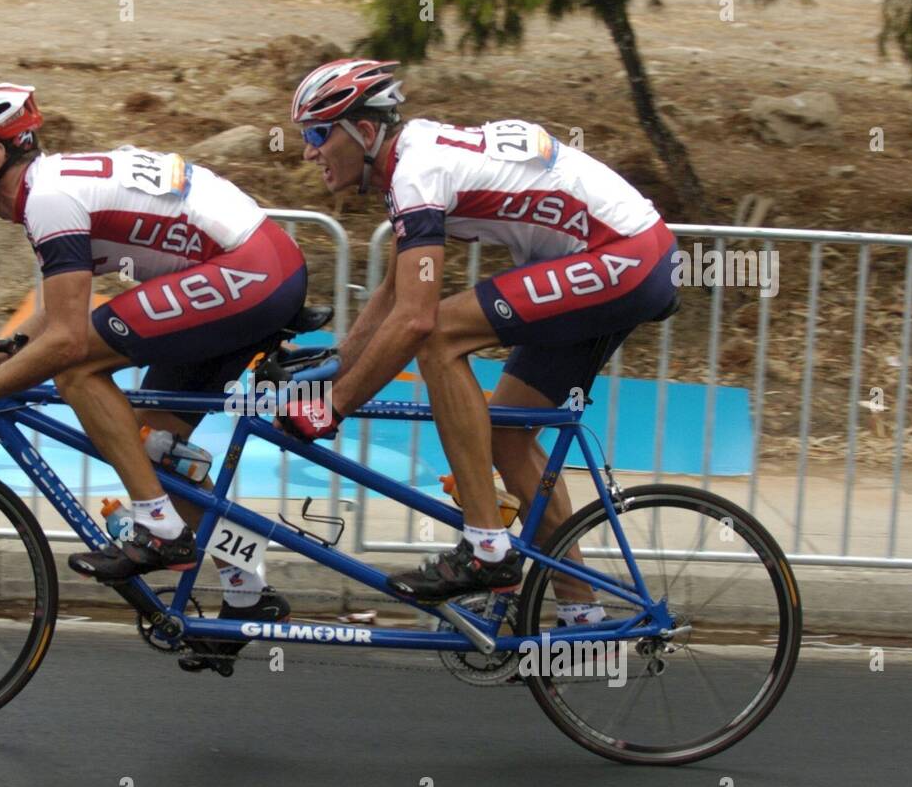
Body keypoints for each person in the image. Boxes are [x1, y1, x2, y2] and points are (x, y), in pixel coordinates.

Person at [281, 60, 680, 622]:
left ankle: (486, 547)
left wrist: (336, 408)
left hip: (623, 254)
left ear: (364, 133)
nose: (308, 152)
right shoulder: (417, 161)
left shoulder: (416, 173)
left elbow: (416, 320)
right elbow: (397, 291)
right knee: (506, 437)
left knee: (440, 335)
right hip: (623, 257)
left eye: (318, 135)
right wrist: (334, 367)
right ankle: (579, 613)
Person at [0, 82, 308, 632]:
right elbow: (54, 317)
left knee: (75, 368)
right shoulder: (48, 191)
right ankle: (246, 593)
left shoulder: (48, 200)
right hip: (258, 268)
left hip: (250, 271)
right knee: (152, 442)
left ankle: (160, 531)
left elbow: (67, 343)